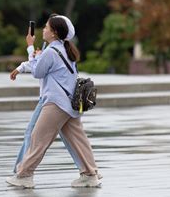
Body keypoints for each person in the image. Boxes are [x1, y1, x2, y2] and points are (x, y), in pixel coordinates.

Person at [6, 14, 101, 188]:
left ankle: (24, 176)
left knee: (38, 138)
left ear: (54, 33)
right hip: (70, 103)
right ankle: (90, 174)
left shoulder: (51, 51)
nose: (44, 30)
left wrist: (29, 48)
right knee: (78, 138)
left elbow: (37, 72)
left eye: (47, 28)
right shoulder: (65, 49)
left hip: (56, 103)